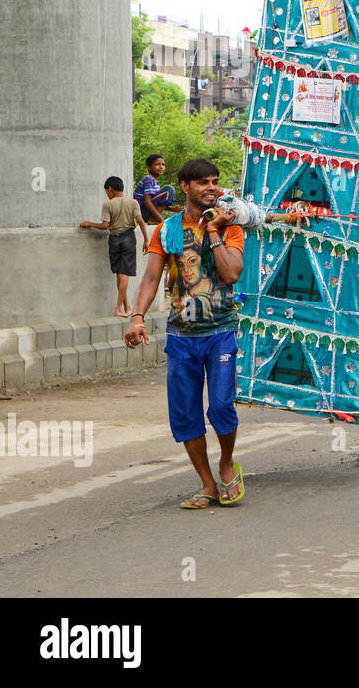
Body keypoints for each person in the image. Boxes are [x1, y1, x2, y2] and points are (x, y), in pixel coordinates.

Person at [124, 159, 246, 509]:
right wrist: (137, 317)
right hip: (181, 335)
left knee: (222, 405)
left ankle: (225, 463)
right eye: (203, 182)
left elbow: (231, 273)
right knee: (184, 412)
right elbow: (150, 278)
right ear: (185, 187)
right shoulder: (168, 230)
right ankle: (207, 483)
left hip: (221, 330)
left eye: (215, 182)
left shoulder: (230, 227)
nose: (211, 187)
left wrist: (212, 231)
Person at [80, 176, 149, 317]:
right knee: (123, 274)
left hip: (114, 239)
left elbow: (105, 226)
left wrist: (90, 223)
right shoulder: (133, 202)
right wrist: (146, 240)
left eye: (107, 191)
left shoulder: (108, 204)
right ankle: (122, 308)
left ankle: (124, 307)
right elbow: (140, 221)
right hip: (128, 238)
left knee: (120, 273)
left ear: (110, 189)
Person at [133, 154, 179, 225]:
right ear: (149, 167)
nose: (161, 167)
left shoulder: (155, 182)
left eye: (163, 165)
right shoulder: (148, 179)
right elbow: (147, 201)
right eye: (157, 164)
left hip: (146, 212)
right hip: (142, 212)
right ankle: (153, 219)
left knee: (168, 191)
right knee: (169, 189)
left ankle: (154, 219)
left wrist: (172, 208)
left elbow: (158, 203)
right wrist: (161, 219)